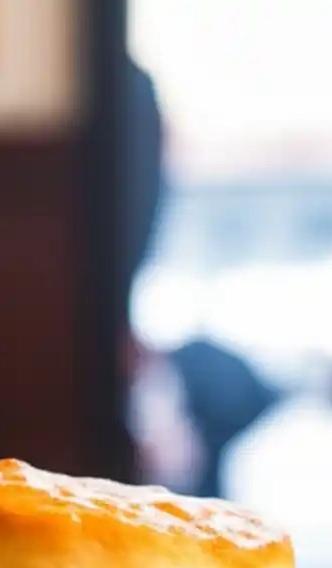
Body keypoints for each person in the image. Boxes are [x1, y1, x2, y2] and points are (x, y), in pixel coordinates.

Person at [125, 58, 277, 498]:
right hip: (120, 360)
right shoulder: (123, 91)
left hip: (139, 355)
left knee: (229, 386)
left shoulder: (130, 92)